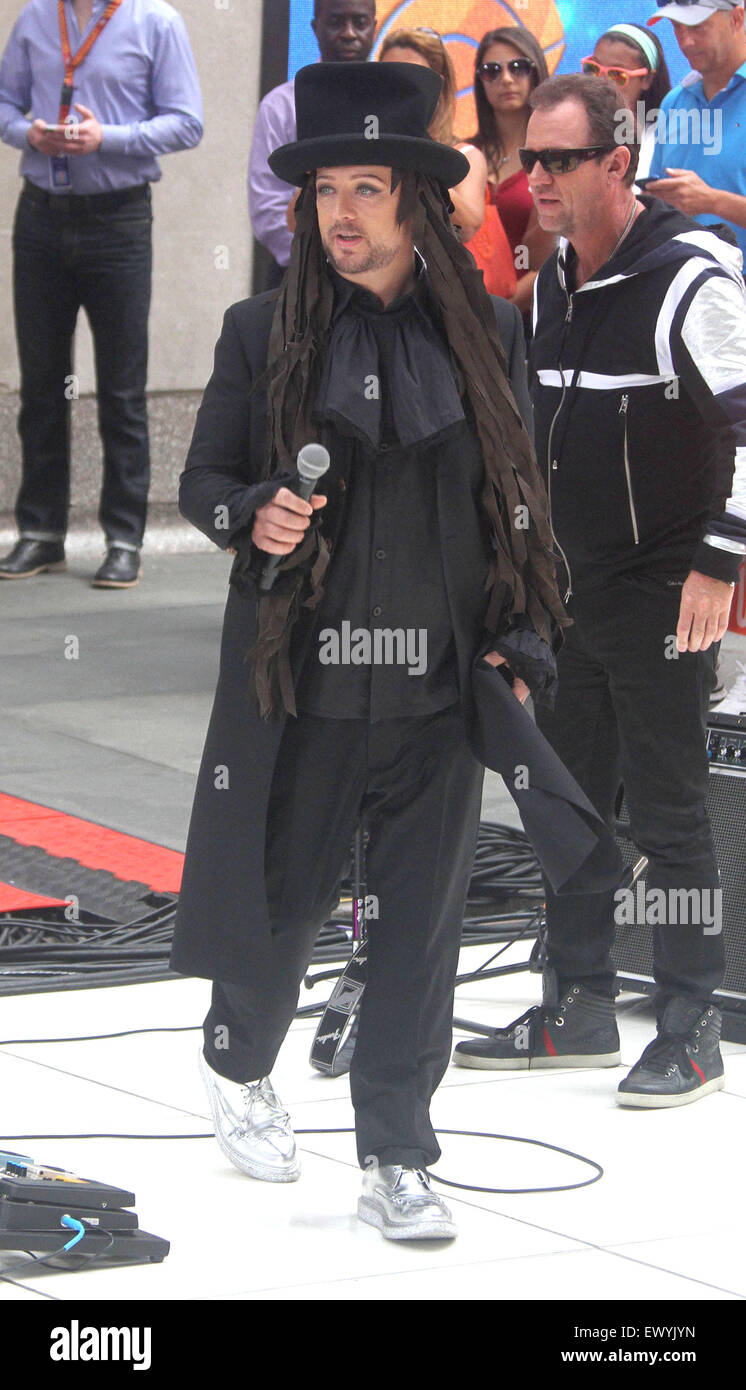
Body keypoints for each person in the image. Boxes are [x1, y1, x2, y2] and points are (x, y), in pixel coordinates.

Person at [170, 61, 571, 1241]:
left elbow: (520, 503)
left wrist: (518, 643)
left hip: (435, 689)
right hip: (301, 682)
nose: (339, 212)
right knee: (278, 906)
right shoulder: (260, 331)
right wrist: (252, 512)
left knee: (417, 930)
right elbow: (199, 485)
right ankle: (239, 1059)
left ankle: (396, 1154)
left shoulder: (490, 331)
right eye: (324, 189)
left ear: (413, 198)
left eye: (366, 187)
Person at [454, 74, 746, 1108]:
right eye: (529, 159)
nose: (533, 178)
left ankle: (687, 1021)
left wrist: (718, 558)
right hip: (564, 593)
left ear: (616, 161)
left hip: (665, 587)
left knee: (669, 814)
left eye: (557, 161)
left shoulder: (689, 277)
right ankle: (574, 1002)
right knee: (565, 806)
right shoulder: (556, 278)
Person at [0, 0, 203, 588]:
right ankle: (40, 534)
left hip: (119, 222)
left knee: (121, 390)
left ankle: (122, 539)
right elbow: (5, 106)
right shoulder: (37, 16)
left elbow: (187, 121)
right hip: (39, 217)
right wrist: (29, 133)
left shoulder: (156, 21)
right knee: (41, 385)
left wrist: (105, 138)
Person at [248, 0, 377, 288]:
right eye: (336, 22)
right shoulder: (281, 106)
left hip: (379, 279)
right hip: (301, 276)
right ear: (315, 28)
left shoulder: (392, 103)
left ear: (374, 27)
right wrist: (326, 261)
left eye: (359, 22)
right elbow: (267, 209)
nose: (348, 33)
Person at [645, 1, 746, 263]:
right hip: (680, 287)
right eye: (677, 27)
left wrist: (712, 201)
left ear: (737, 18)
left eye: (698, 27)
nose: (686, 41)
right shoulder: (673, 102)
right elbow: (656, 201)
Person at [470, 26, 556, 318]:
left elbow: (553, 260)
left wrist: (499, 314)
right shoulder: (464, 154)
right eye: (491, 71)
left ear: (536, 73)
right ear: (480, 81)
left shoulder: (558, 157)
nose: (505, 79)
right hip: (464, 319)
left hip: (532, 321)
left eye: (518, 67)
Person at [582, 21, 671, 179]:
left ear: (647, 79)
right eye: (593, 69)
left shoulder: (662, 143)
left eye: (617, 75)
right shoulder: (569, 130)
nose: (601, 82)